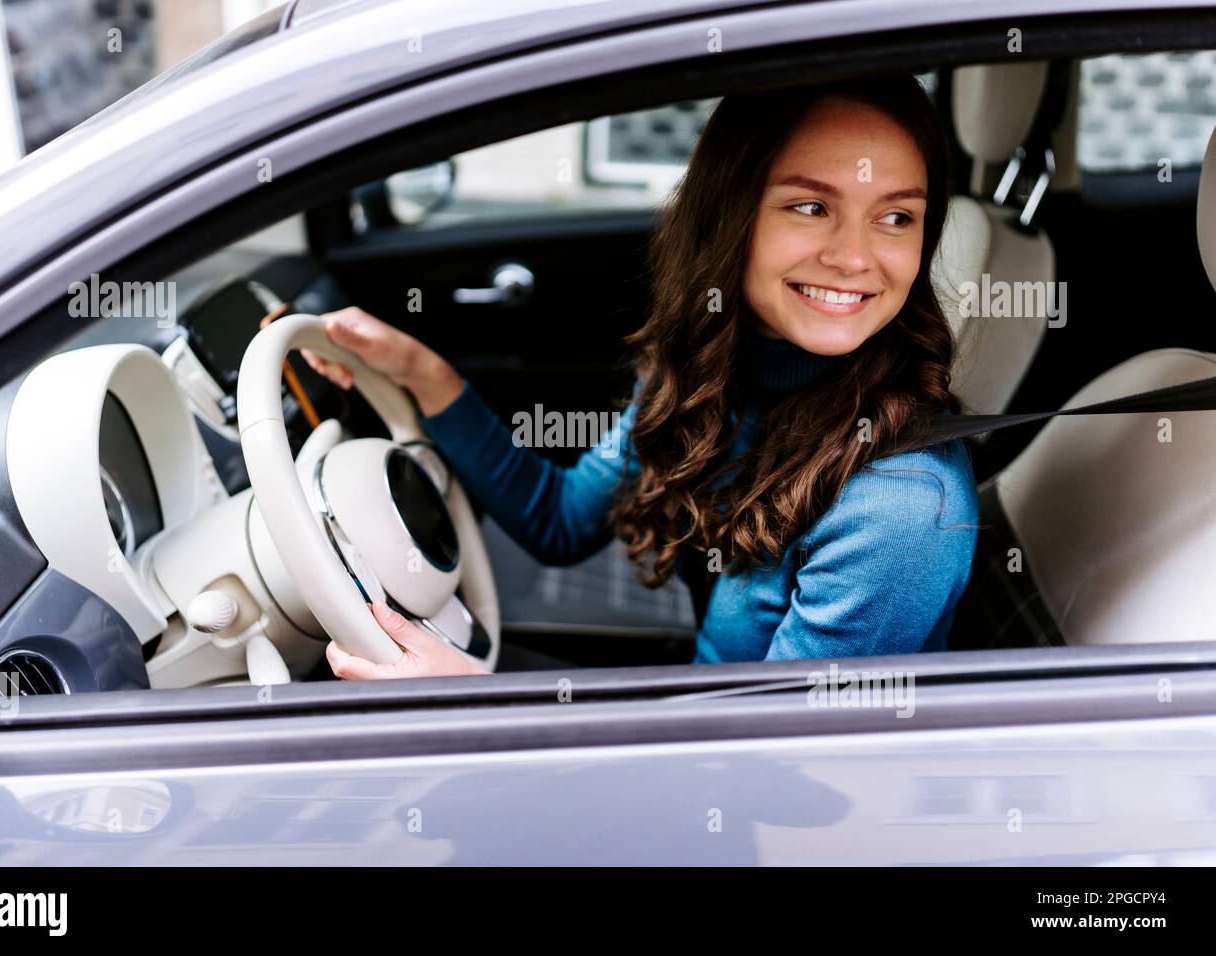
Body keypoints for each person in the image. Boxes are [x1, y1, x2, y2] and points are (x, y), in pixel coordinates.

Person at [302, 74, 979, 679]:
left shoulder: (899, 509)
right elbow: (558, 521)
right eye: (811, 206)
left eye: (896, 217)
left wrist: (480, 708)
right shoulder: (718, 374)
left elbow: (763, 771)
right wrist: (416, 371)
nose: (856, 257)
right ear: (730, 213)